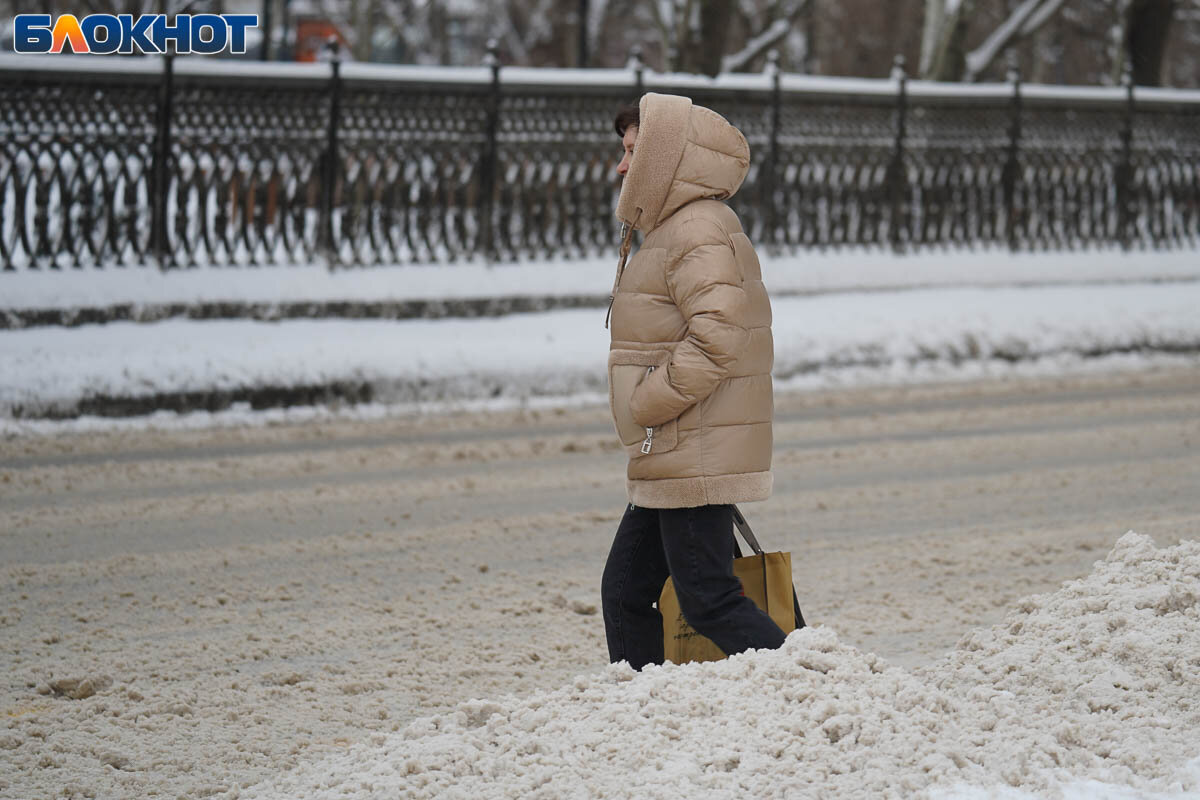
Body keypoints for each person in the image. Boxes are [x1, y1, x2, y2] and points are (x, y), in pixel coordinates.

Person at [600, 92, 787, 670]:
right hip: (674, 449)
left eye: (633, 150)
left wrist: (648, 401)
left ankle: (820, 687)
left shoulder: (696, 229)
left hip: (691, 446)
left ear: (664, 156)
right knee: (627, 591)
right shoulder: (675, 227)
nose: (621, 165)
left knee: (708, 599)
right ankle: (641, 710)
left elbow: (719, 335)